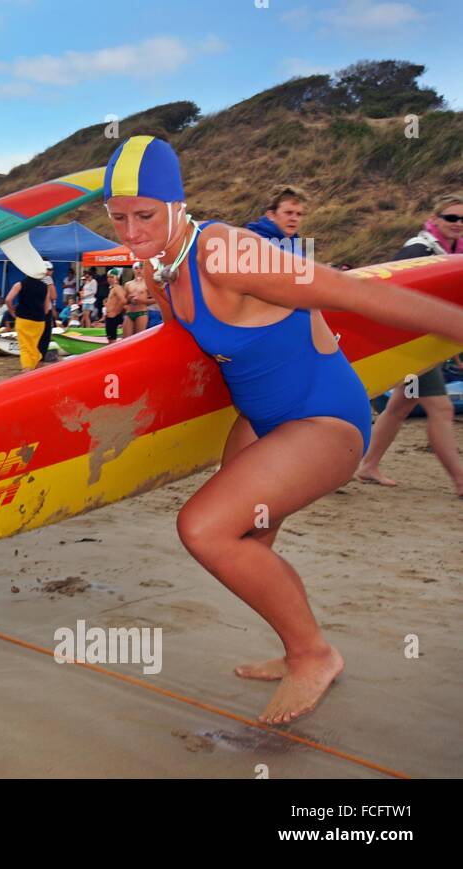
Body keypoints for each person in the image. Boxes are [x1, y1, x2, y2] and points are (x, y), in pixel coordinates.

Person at [103, 135, 463, 725]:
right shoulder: (156, 260)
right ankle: (299, 646)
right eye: (118, 218)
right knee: (249, 543)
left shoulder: (227, 253)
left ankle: (314, 655)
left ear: (176, 203)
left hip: (323, 419)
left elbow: (355, 293)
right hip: (260, 418)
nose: (131, 231)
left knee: (205, 529)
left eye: (145, 215)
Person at [355, 192, 463, 496]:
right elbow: (393, 293)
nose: (458, 224)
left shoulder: (452, 252)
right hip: (406, 345)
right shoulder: (418, 249)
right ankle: (460, 480)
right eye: (451, 218)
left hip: (425, 344)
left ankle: (368, 465)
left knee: (401, 405)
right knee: (441, 409)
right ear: (436, 219)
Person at [4, 262, 51, 369]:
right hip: (39, 320)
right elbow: (47, 307)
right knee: (33, 345)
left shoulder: (19, 284)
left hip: (23, 318)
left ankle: (26, 369)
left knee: (25, 346)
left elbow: (8, 299)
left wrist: (12, 312)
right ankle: (35, 365)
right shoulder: (45, 287)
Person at [246, 185, 308, 257]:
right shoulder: (251, 242)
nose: (294, 219)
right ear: (271, 215)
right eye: (288, 213)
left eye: (299, 214)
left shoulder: (298, 251)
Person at [122, 264, 150, 337]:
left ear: (144, 270)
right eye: (136, 268)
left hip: (141, 313)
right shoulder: (128, 284)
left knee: (138, 339)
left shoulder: (147, 283)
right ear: (133, 270)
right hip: (129, 313)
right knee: (126, 340)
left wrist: (142, 301)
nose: (139, 270)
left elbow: (156, 300)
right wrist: (128, 298)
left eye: (141, 268)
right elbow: (124, 301)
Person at [102, 267, 128, 342]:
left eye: (112, 277)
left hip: (113, 317)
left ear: (117, 277)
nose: (109, 279)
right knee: (110, 339)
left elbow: (123, 301)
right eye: (108, 277)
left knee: (112, 340)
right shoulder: (113, 288)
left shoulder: (117, 288)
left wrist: (116, 312)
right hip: (110, 317)